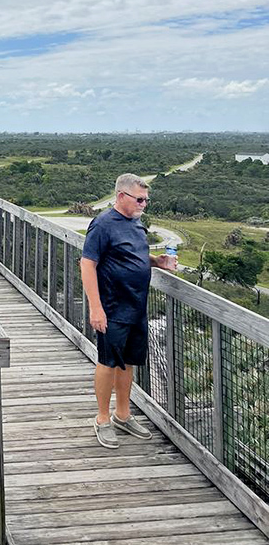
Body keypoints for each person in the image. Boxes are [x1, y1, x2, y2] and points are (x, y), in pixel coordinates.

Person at [80, 173, 176, 448]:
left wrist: (157, 261)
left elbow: (133, 255)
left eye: (146, 200)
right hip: (112, 307)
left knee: (128, 362)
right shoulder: (102, 225)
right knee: (108, 362)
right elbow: (87, 264)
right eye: (139, 199)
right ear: (121, 196)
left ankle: (123, 415)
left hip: (136, 306)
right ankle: (102, 419)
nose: (144, 204)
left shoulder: (135, 223)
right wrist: (95, 308)